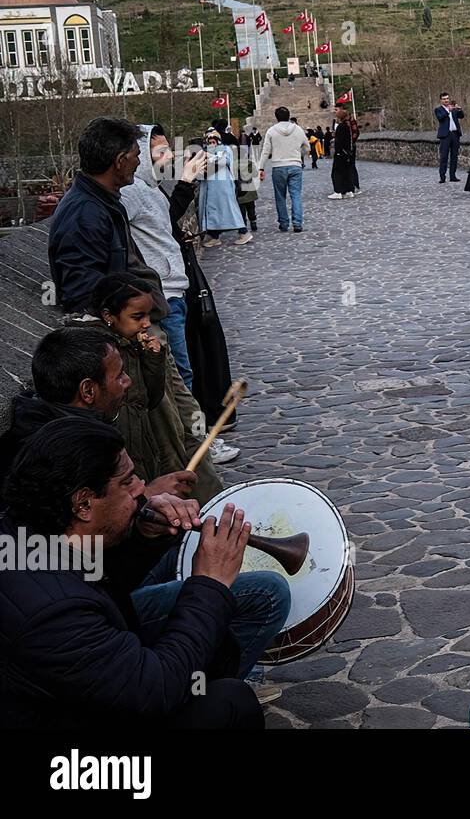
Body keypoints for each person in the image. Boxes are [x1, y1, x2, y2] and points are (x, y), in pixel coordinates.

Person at [0, 416, 288, 728]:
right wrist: (210, 582)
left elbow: (97, 581)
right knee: (231, 701)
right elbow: (156, 690)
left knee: (219, 645)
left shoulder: (31, 532)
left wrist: (144, 538)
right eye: (126, 482)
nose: (141, 488)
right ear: (83, 504)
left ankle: (201, 682)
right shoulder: (52, 613)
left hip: (78, 677)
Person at [0, 326, 198, 498]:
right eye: (119, 375)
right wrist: (146, 495)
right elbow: (78, 531)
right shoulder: (59, 453)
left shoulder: (57, 420)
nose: (128, 381)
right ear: (88, 391)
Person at [89, 273, 225, 503]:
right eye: (137, 317)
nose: (146, 324)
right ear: (108, 316)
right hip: (136, 450)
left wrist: (154, 360)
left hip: (167, 435)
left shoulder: (150, 341)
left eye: (149, 316)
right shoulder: (99, 353)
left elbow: (163, 393)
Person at [47, 117, 169, 318]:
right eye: (136, 156)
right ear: (120, 161)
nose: (139, 163)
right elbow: (81, 294)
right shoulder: (85, 213)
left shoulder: (103, 201)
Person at [120, 125, 205, 392]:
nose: (169, 156)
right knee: (179, 373)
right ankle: (190, 433)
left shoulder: (153, 188)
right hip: (161, 293)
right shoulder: (131, 191)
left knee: (181, 371)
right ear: (143, 155)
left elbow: (164, 224)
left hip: (173, 290)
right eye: (162, 151)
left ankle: (190, 432)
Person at [259, 106, 310, 231]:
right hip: (295, 165)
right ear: (289, 115)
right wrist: (299, 154)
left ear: (276, 117)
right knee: (296, 195)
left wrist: (261, 167)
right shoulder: (298, 129)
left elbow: (266, 151)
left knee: (280, 196)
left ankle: (284, 223)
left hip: (278, 166)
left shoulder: (271, 131)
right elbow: (307, 147)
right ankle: (297, 223)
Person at [198, 127, 251, 247]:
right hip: (212, 187)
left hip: (223, 186)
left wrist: (210, 157)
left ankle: (243, 232)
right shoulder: (207, 152)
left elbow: (224, 161)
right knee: (213, 210)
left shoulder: (224, 150)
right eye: (209, 142)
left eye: (213, 142)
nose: (211, 144)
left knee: (230, 209)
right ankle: (215, 236)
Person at [329, 105, 359, 199]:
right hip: (348, 151)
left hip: (341, 153)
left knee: (337, 172)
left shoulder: (341, 127)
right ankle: (349, 190)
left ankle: (338, 191)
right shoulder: (347, 126)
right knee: (348, 171)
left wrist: (338, 151)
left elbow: (339, 142)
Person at [435, 92, 465, 183]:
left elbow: (462, 116)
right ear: (441, 100)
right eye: (444, 99)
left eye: (447, 98)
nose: (446, 100)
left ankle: (453, 176)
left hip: (455, 134)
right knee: (444, 156)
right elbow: (440, 118)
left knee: (454, 156)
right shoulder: (438, 109)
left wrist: (459, 109)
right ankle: (442, 177)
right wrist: (448, 110)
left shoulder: (454, 109)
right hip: (445, 135)